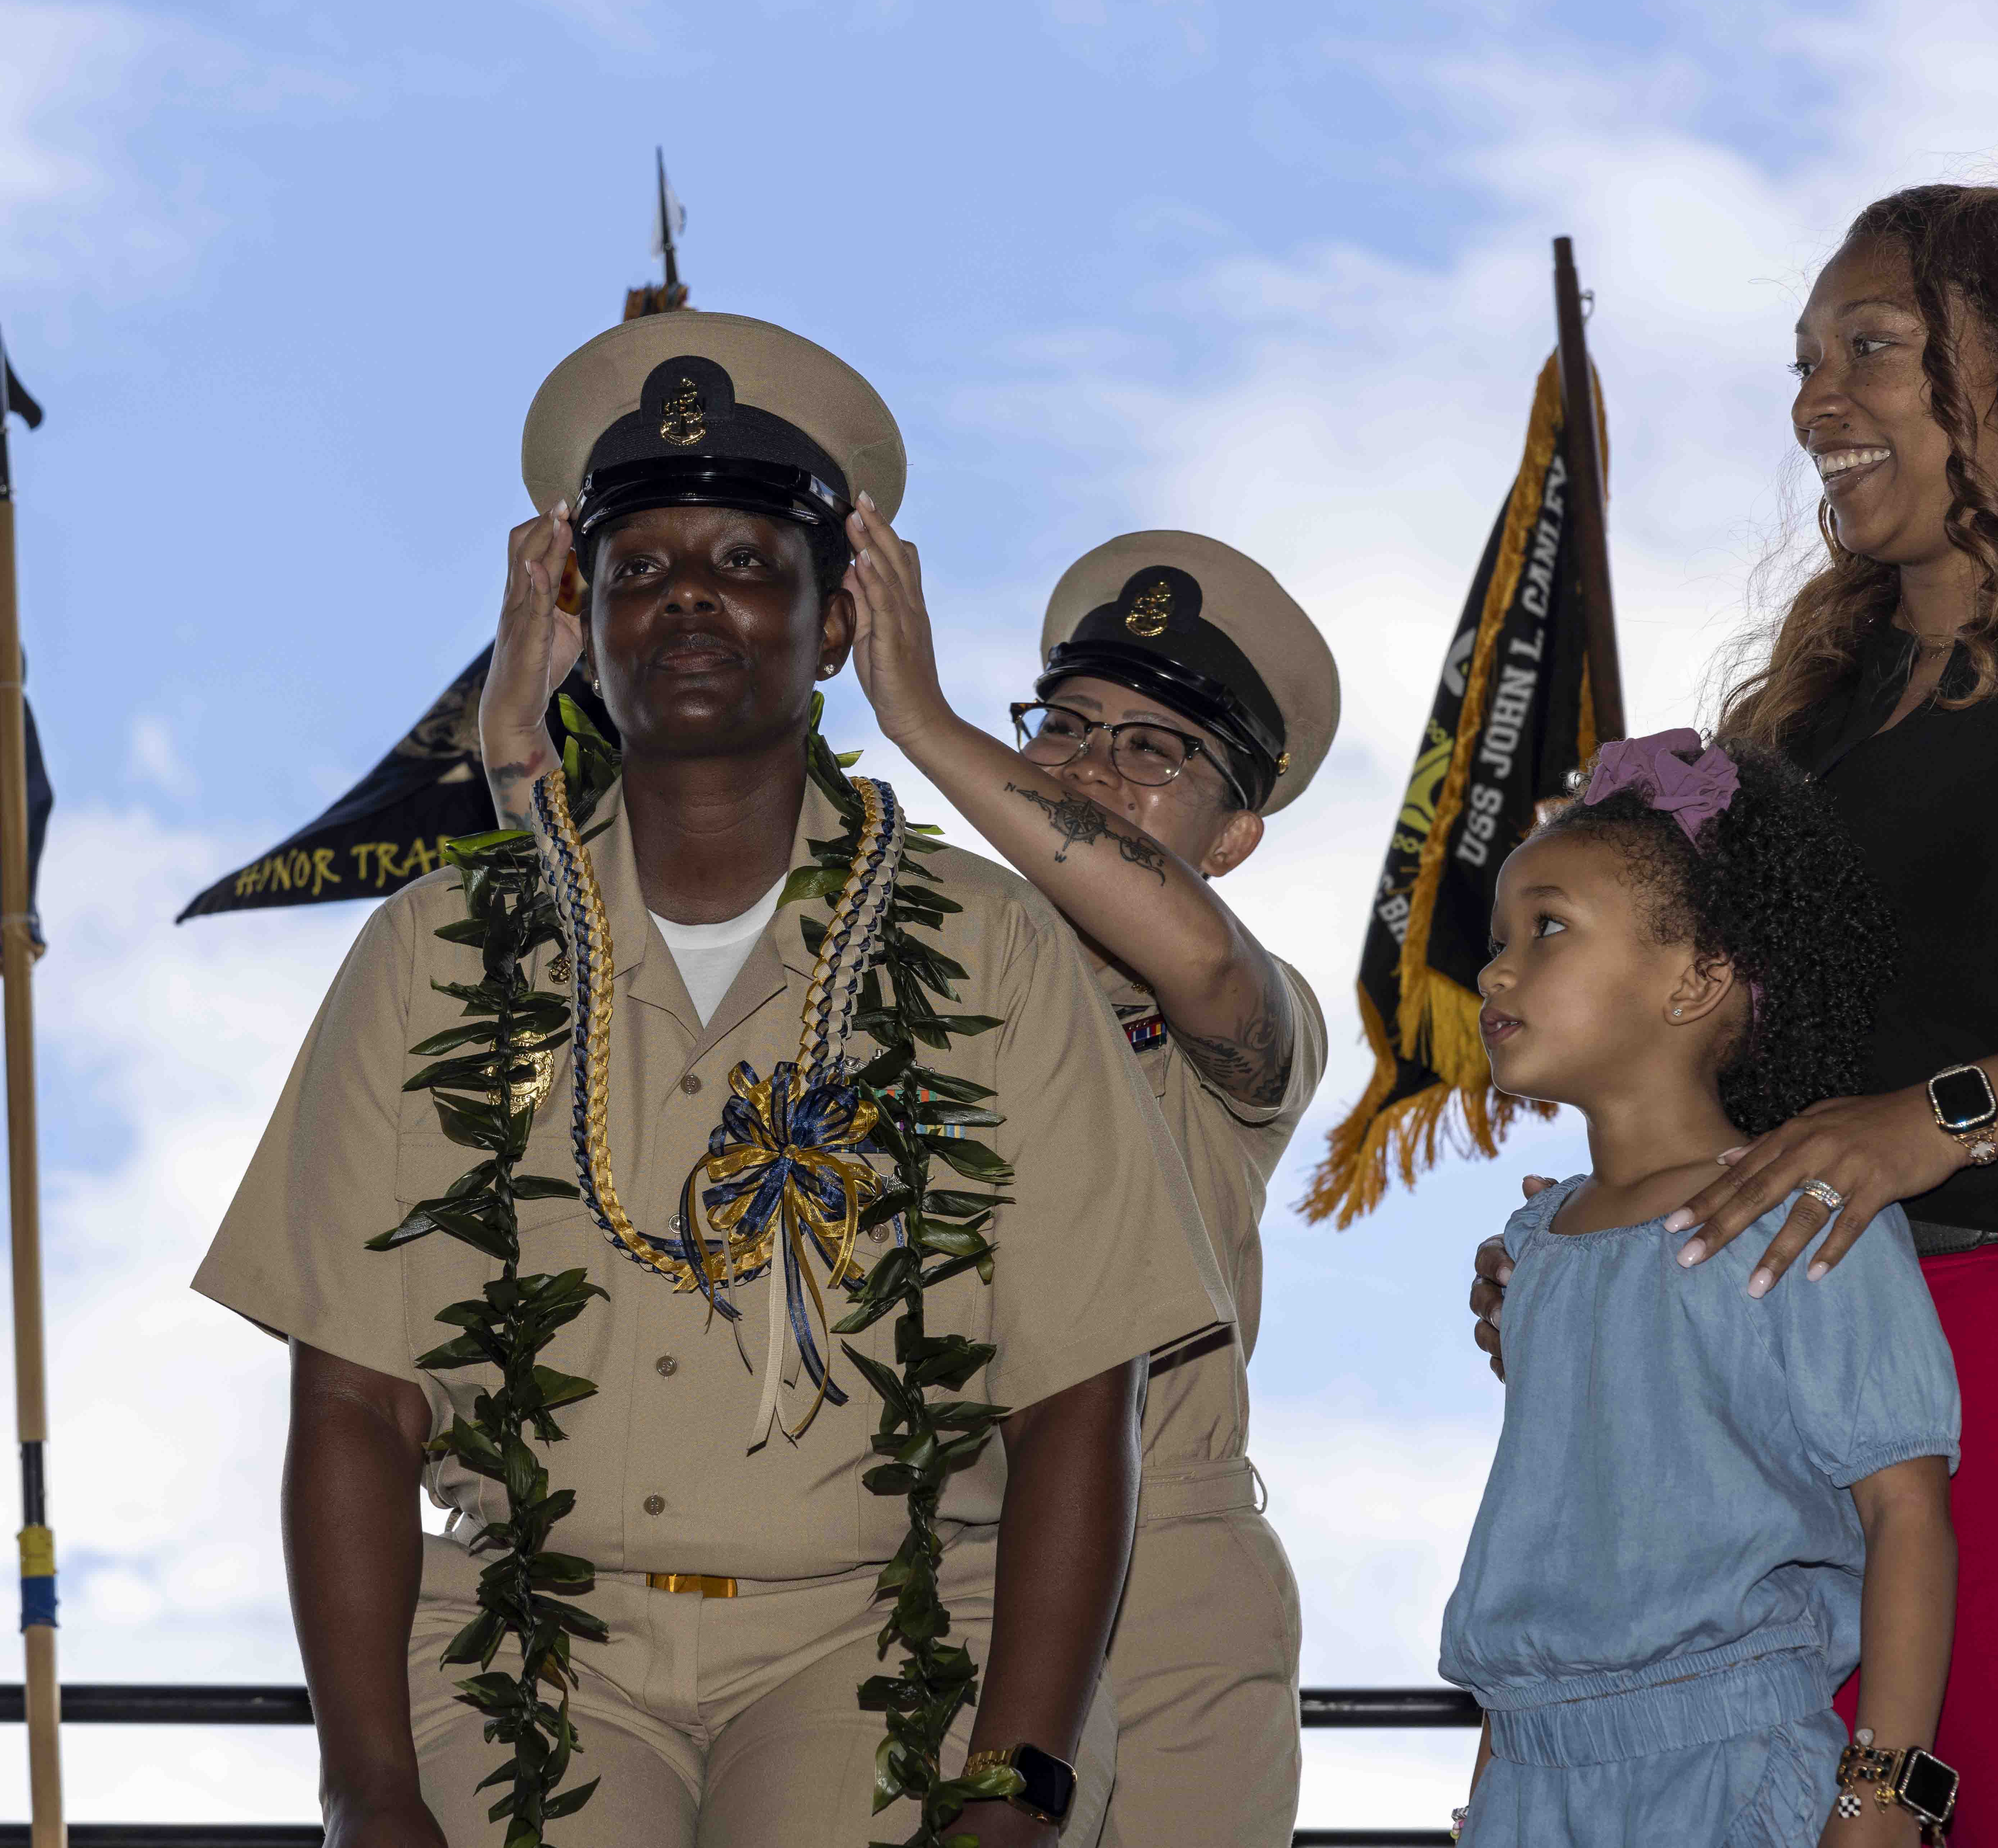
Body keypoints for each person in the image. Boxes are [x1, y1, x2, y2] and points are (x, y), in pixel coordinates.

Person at [195, 311, 1241, 1848]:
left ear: (837, 626)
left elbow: (1081, 1398)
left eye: (748, 564)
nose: (688, 598)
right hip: (525, 1653)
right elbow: (352, 1401)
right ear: (582, 621)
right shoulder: (435, 947)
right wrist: (366, 1791)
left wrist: (1012, 1787)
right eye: (637, 569)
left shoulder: (991, 941)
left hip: (881, 1644)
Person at [1469, 183, 1998, 1839]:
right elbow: (1721, 1082)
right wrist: (1607, 1251)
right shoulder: (1793, 734)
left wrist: (1936, 1119)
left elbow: (1894, 1114)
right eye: (1803, 359)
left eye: (1874, 349)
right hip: (1768, 1411)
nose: (1814, 403)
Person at [835, 517, 1339, 1848]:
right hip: (930, 1558)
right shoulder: (898, 969)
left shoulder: (1244, 1000)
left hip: (1169, 1578)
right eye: (1063, 728)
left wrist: (924, 722)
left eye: (1153, 752)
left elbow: (1206, 970)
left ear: (1233, 841)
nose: (1090, 772)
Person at [1446, 730, 1959, 1847]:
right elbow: (1542, 1542)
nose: (1495, 972)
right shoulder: (1534, 1246)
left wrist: (1881, 1793)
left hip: (1731, 1776)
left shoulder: (1808, 1211)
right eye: (1498, 942)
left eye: (1548, 929)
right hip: (1531, 1789)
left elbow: (1906, 1508)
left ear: (1696, 980)